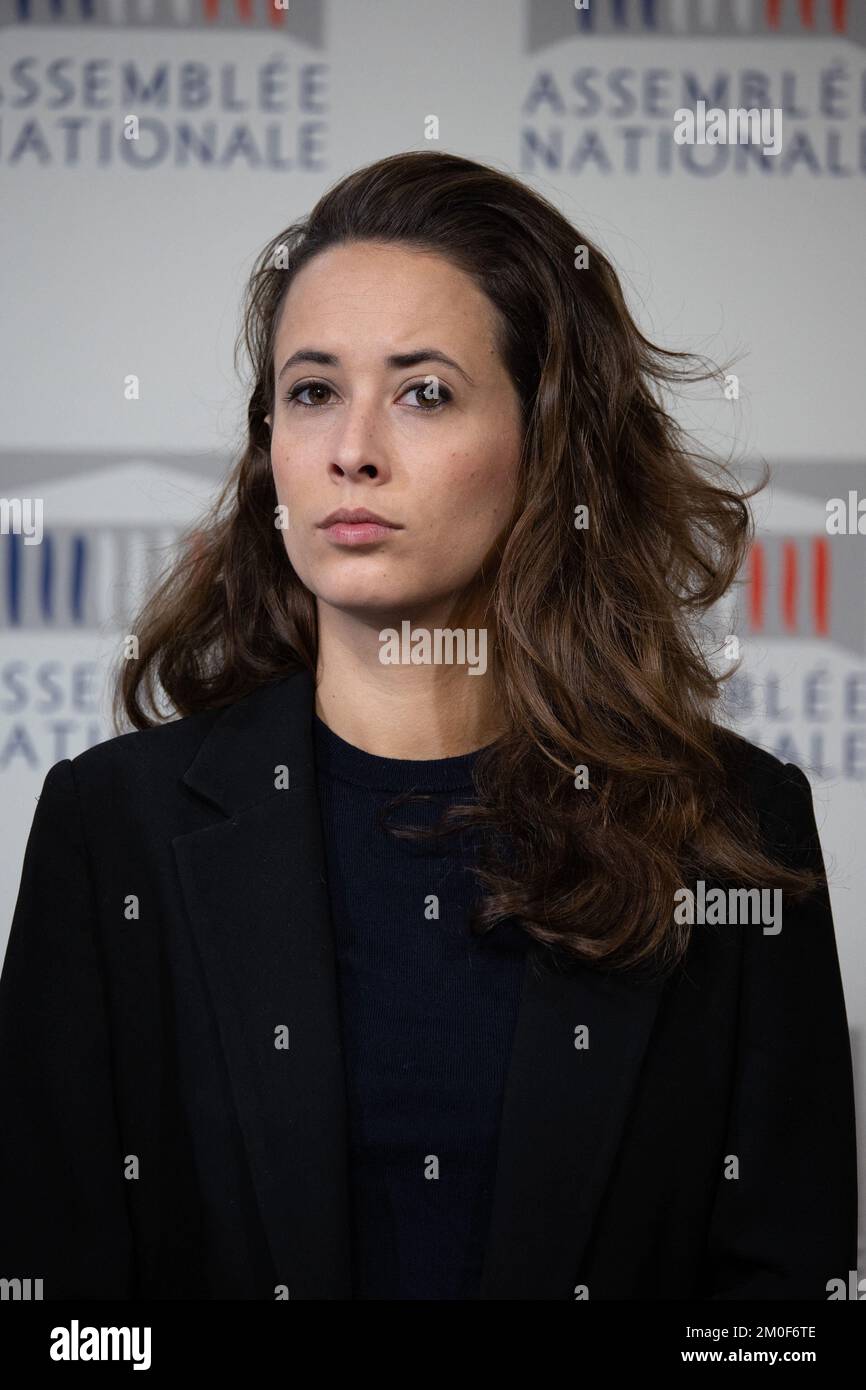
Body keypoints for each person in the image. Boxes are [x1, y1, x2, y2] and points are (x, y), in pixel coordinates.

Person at [0, 151, 857, 1301]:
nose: (352, 448)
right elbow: (56, 1306)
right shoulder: (116, 825)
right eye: (311, 391)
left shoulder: (728, 827)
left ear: (546, 450)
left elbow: (781, 1316)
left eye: (422, 392)